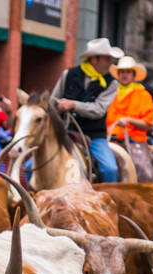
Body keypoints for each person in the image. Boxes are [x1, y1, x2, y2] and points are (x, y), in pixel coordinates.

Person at [53, 37, 123, 183]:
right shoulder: (68, 75)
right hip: (66, 132)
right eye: (107, 59)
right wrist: (57, 107)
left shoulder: (111, 83)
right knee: (31, 166)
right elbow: (52, 101)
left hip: (95, 136)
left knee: (110, 169)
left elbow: (99, 109)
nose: (111, 63)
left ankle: (109, 201)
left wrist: (73, 105)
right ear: (94, 60)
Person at [107, 56, 153, 180]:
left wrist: (129, 120)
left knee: (145, 175)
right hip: (109, 140)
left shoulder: (143, 95)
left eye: (128, 72)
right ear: (118, 74)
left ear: (134, 75)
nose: (124, 75)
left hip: (134, 141)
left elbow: (149, 124)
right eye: (122, 72)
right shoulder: (109, 93)